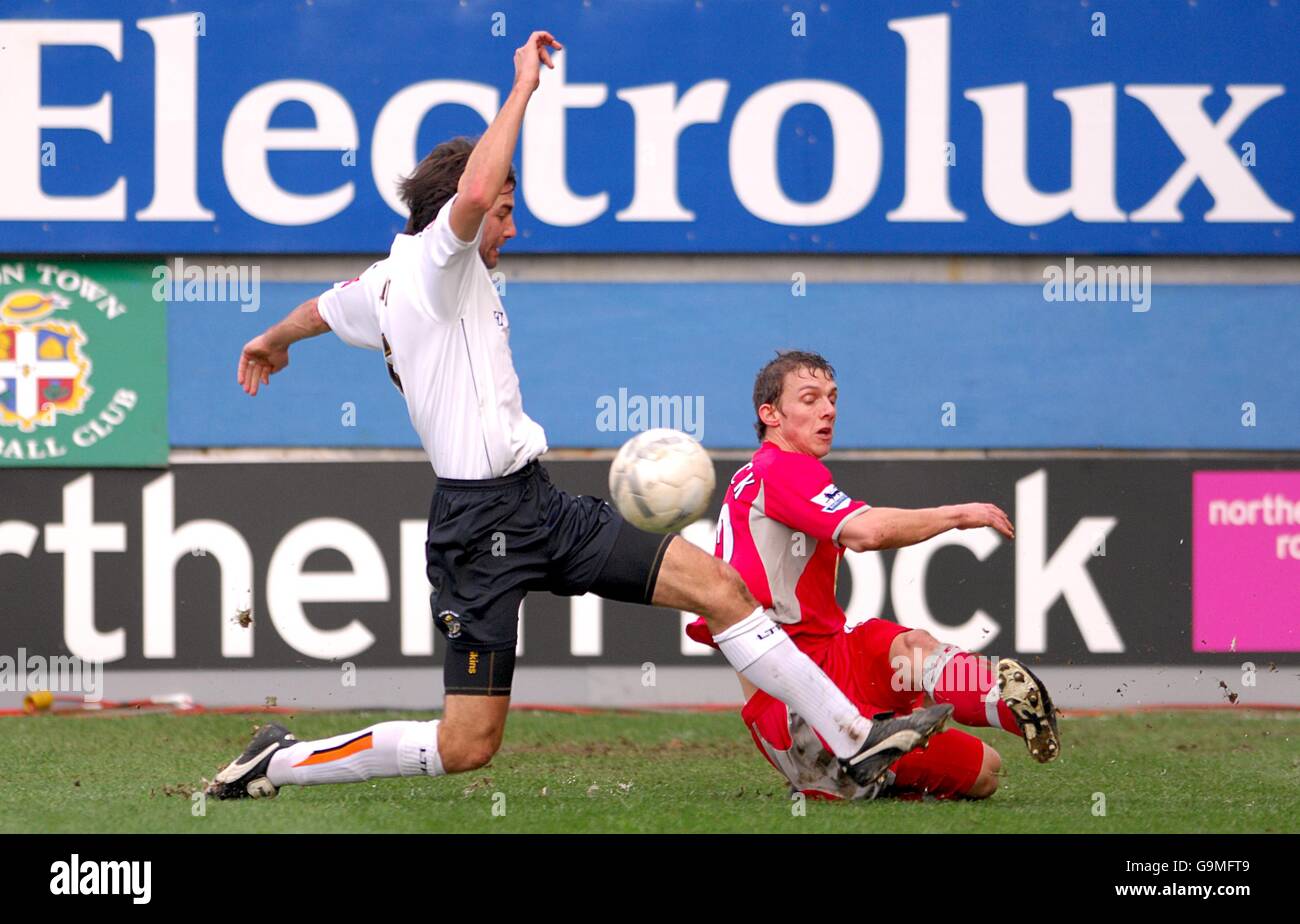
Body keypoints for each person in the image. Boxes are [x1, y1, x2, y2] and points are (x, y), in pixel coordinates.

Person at [206, 33, 950, 802]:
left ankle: (856, 740)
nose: (511, 229)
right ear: (458, 213)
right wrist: (523, 87)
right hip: (476, 530)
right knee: (467, 745)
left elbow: (323, 309)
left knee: (724, 589)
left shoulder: (385, 280)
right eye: (503, 213)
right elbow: (465, 199)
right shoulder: (435, 263)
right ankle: (280, 761)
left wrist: (269, 339)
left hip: (539, 504)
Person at [686, 350, 1060, 800]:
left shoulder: (756, 475)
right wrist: (957, 514)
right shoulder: (781, 469)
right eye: (809, 399)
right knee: (987, 771)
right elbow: (868, 532)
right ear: (770, 414)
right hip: (800, 704)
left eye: (832, 397)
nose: (827, 410)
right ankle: (858, 773)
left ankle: (1010, 700)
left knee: (910, 648)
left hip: (831, 658)